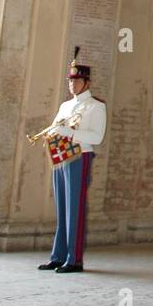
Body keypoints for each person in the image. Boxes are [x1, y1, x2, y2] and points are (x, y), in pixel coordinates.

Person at [36, 50, 107, 274]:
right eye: (70, 81)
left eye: (77, 81)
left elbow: (97, 137)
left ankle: (74, 259)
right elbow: (56, 129)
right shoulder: (65, 106)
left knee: (74, 209)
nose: (72, 85)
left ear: (87, 82)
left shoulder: (96, 106)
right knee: (62, 208)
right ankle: (58, 256)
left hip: (80, 156)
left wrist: (68, 132)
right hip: (61, 157)